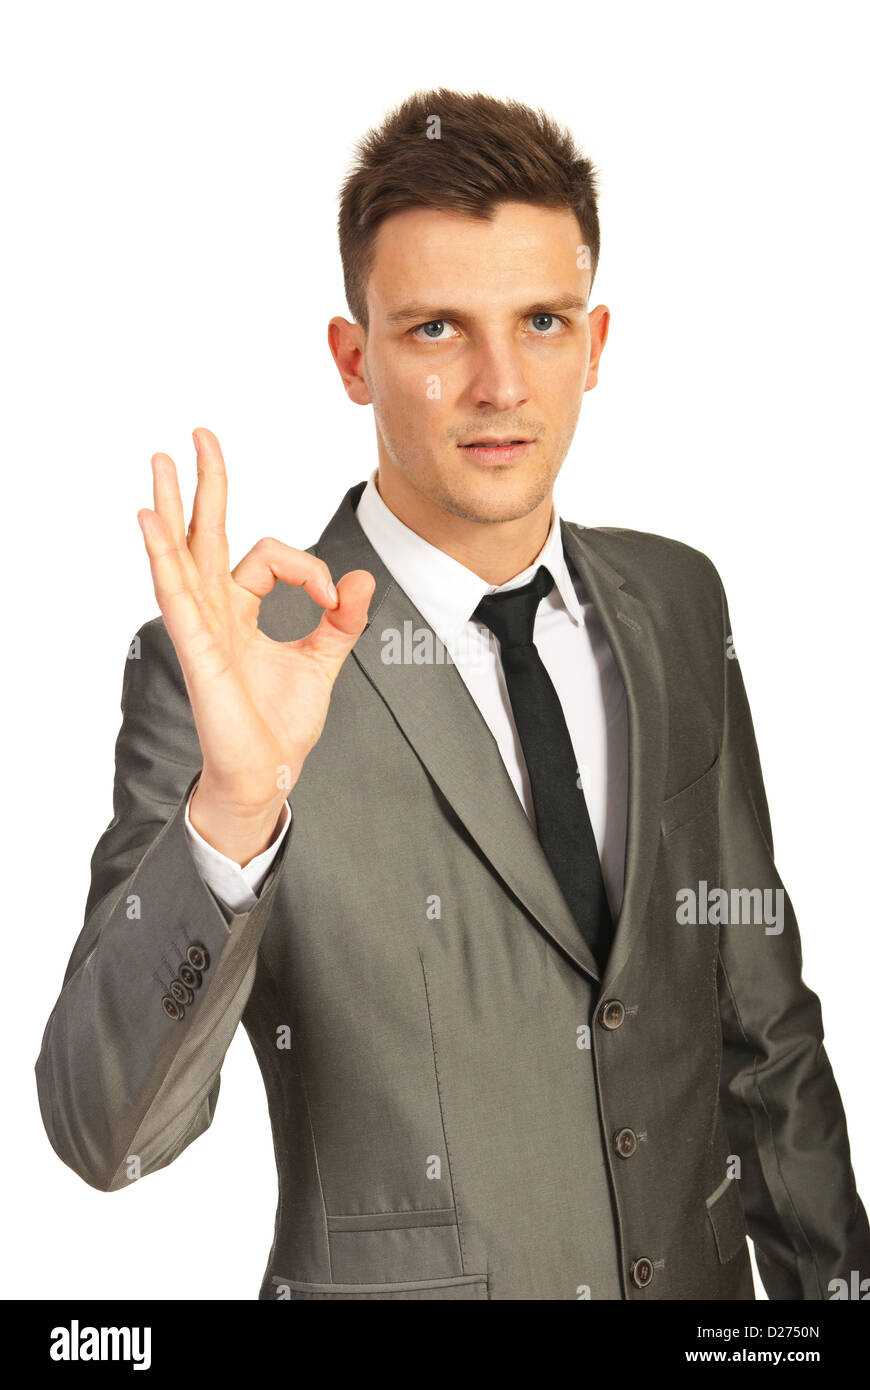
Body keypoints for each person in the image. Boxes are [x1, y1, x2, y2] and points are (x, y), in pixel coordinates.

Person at [35, 88, 870, 1301]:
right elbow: (105, 1132)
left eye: (540, 321)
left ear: (594, 345)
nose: (499, 383)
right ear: (352, 357)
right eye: (435, 330)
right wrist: (235, 812)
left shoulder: (679, 604)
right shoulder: (231, 664)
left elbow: (765, 1033)